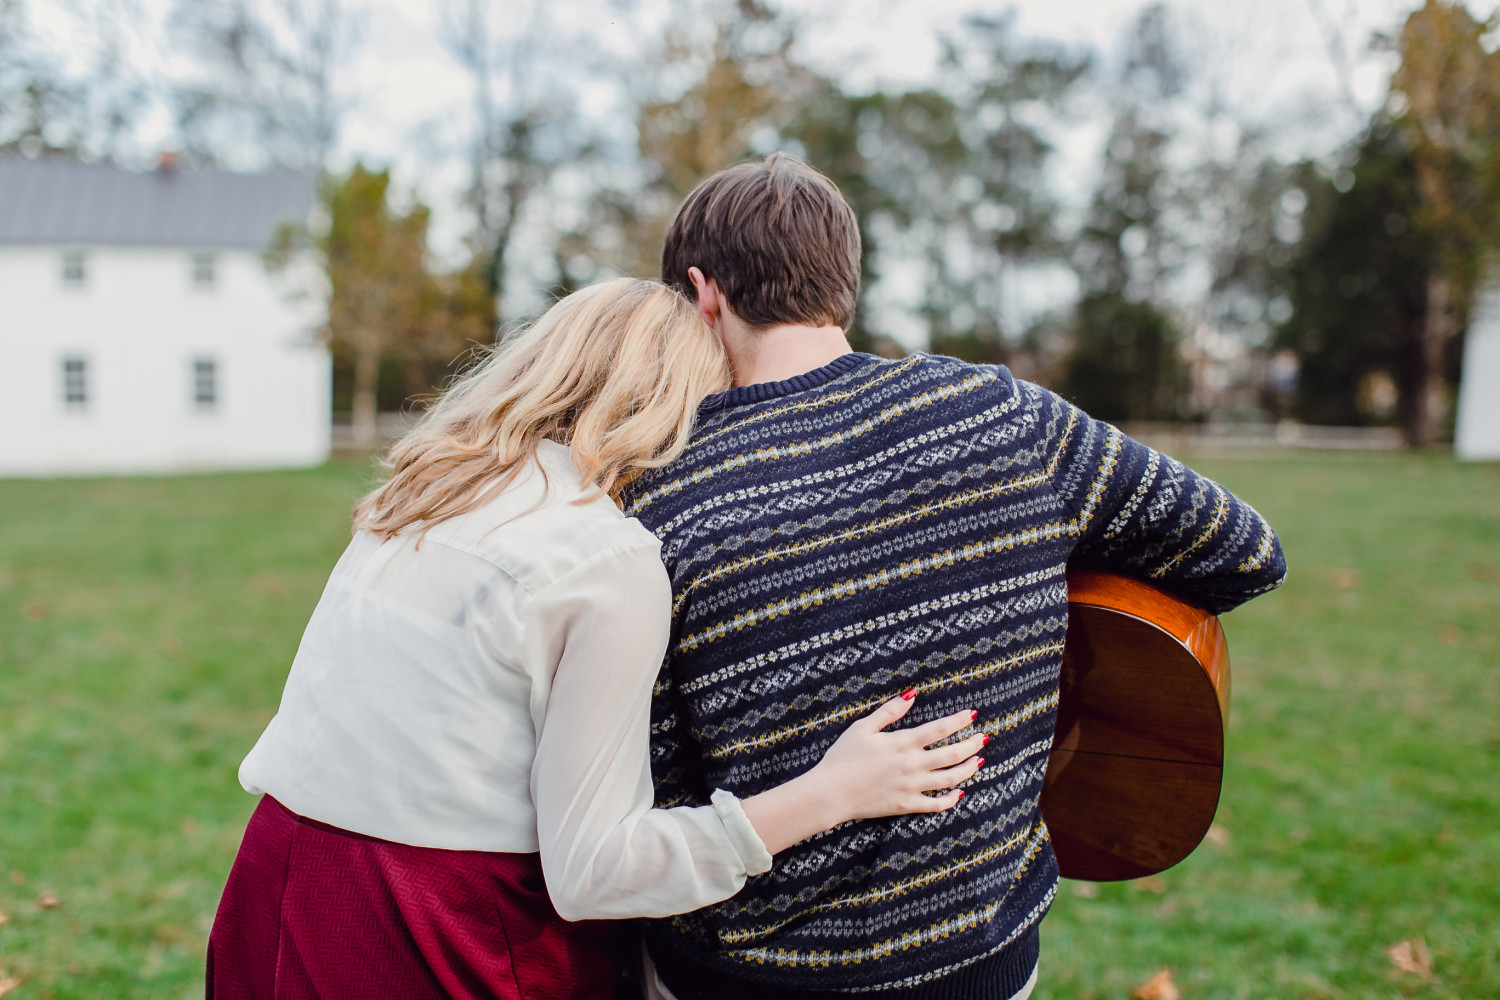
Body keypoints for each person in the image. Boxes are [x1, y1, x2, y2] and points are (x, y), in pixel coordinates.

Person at [205, 278, 987, 1000]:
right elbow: (596, 870)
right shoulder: (603, 559)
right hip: (440, 928)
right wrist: (833, 793)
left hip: (277, 879)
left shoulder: (423, 495)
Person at [624, 154, 1289, 1000]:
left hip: (739, 978)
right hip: (979, 967)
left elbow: (650, 794)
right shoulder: (1003, 415)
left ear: (701, 293)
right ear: (841, 285)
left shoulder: (655, 492)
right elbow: (1244, 551)